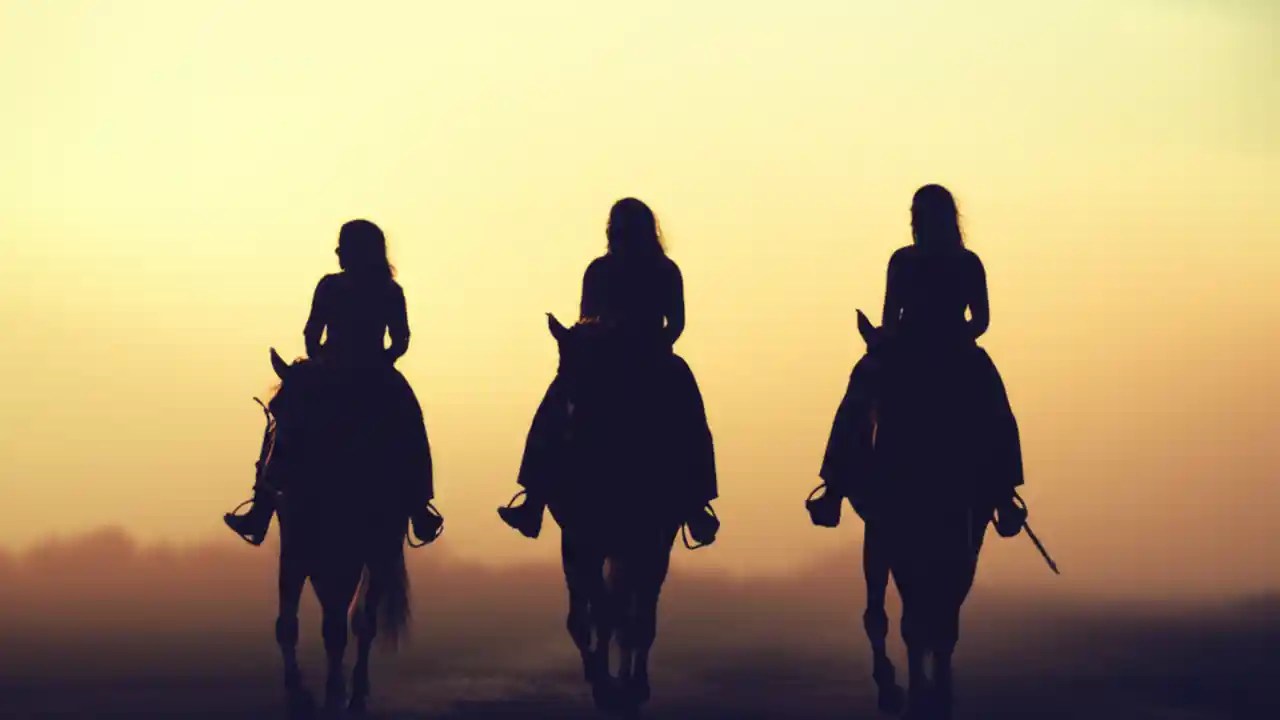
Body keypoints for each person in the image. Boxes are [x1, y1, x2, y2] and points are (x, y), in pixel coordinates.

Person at [499, 198, 716, 537]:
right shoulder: (598, 271)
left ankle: (694, 502)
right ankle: (534, 499)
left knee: (686, 411)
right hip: (602, 357)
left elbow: (676, 323)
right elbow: (587, 318)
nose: (622, 237)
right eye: (619, 231)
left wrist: (650, 344)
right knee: (554, 406)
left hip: (650, 357)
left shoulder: (665, 271)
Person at [224, 219, 438, 545]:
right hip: (372, 372)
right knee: (408, 423)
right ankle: (419, 508)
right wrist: (382, 360)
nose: (337, 252)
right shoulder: (385, 290)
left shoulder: (339, 287)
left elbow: (312, 334)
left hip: (337, 369)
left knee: (290, 419)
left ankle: (260, 510)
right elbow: (401, 340)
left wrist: (319, 362)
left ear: (357, 251)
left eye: (343, 246)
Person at [820, 184, 1022, 522]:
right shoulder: (947, 262)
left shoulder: (930, 262)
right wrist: (953, 337)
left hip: (925, 349)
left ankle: (834, 487)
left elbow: (893, 319)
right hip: (948, 349)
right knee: (993, 403)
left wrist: (898, 339)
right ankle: (1004, 494)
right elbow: (980, 322)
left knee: (860, 392)